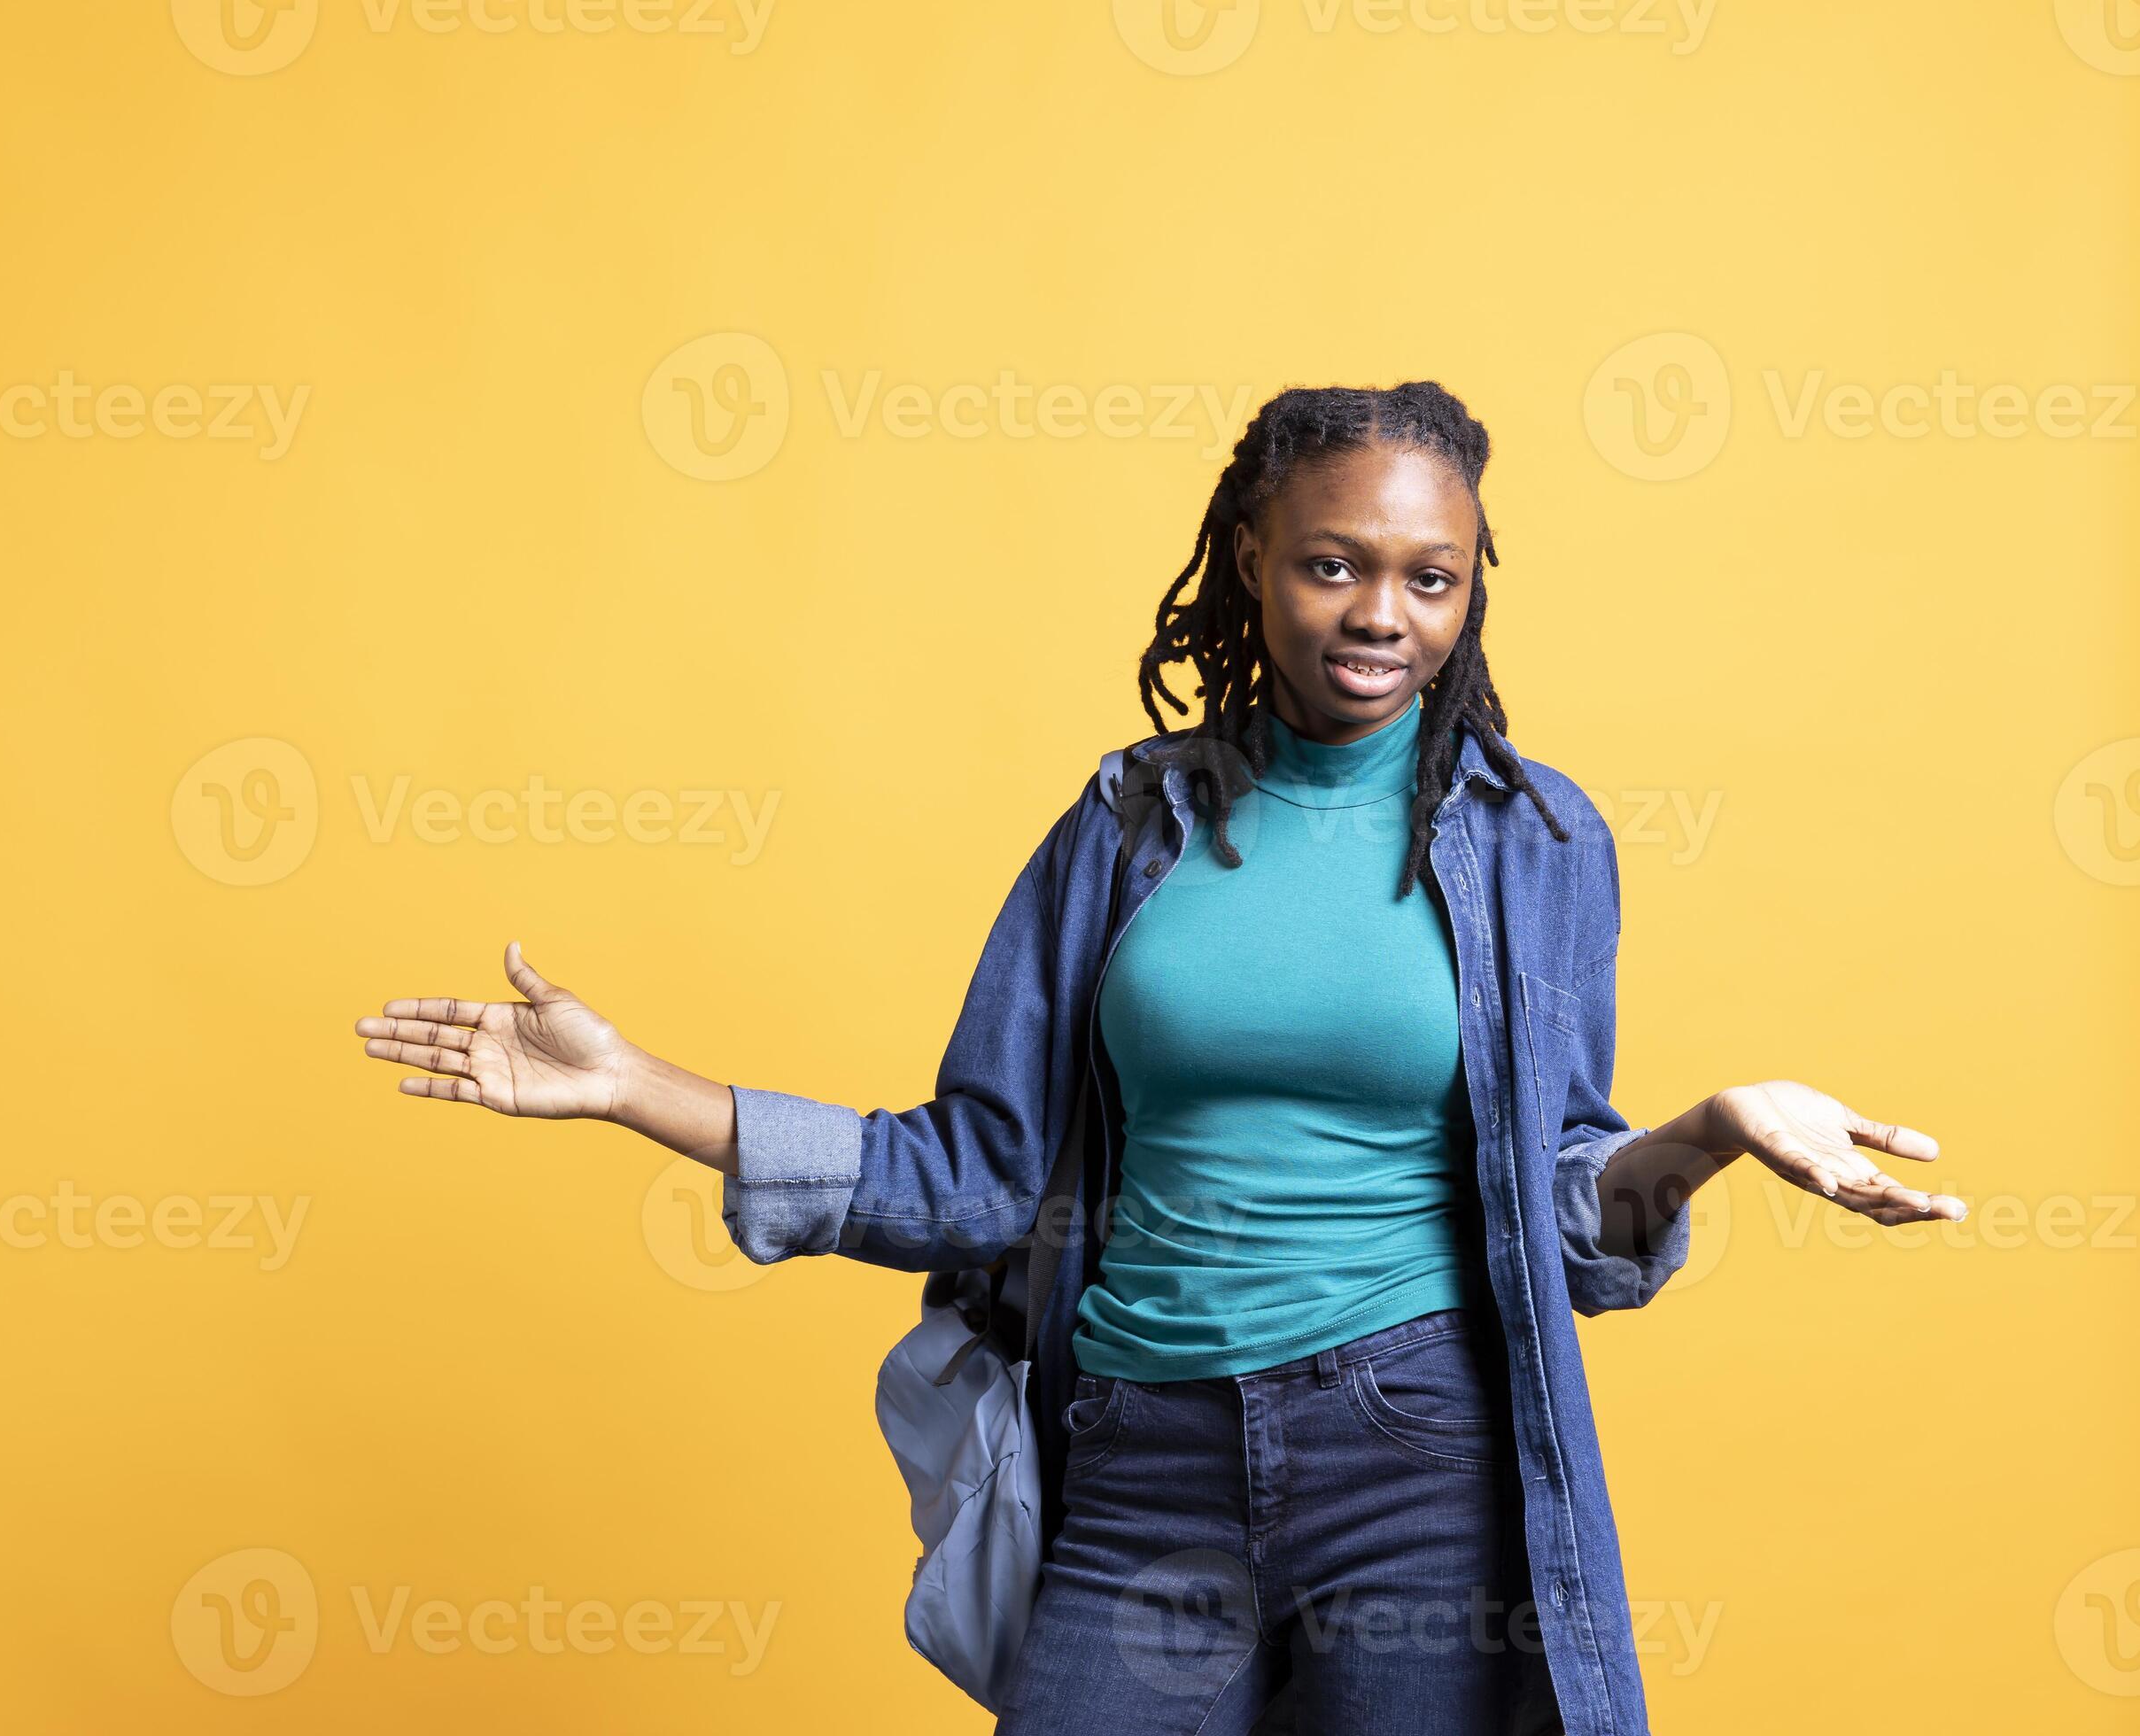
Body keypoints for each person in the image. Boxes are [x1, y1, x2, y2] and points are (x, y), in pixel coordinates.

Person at [353, 382, 1966, 1734]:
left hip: (1420, 1450)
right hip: (1143, 1450)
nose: (1381, 617)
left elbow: (1559, 1206)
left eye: (1432, 578)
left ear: (1475, 588)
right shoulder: (1130, 827)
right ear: (1252, 557)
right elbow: (979, 1171)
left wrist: (1708, 1128)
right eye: (1337, 564)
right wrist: (638, 1086)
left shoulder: (1537, 840)